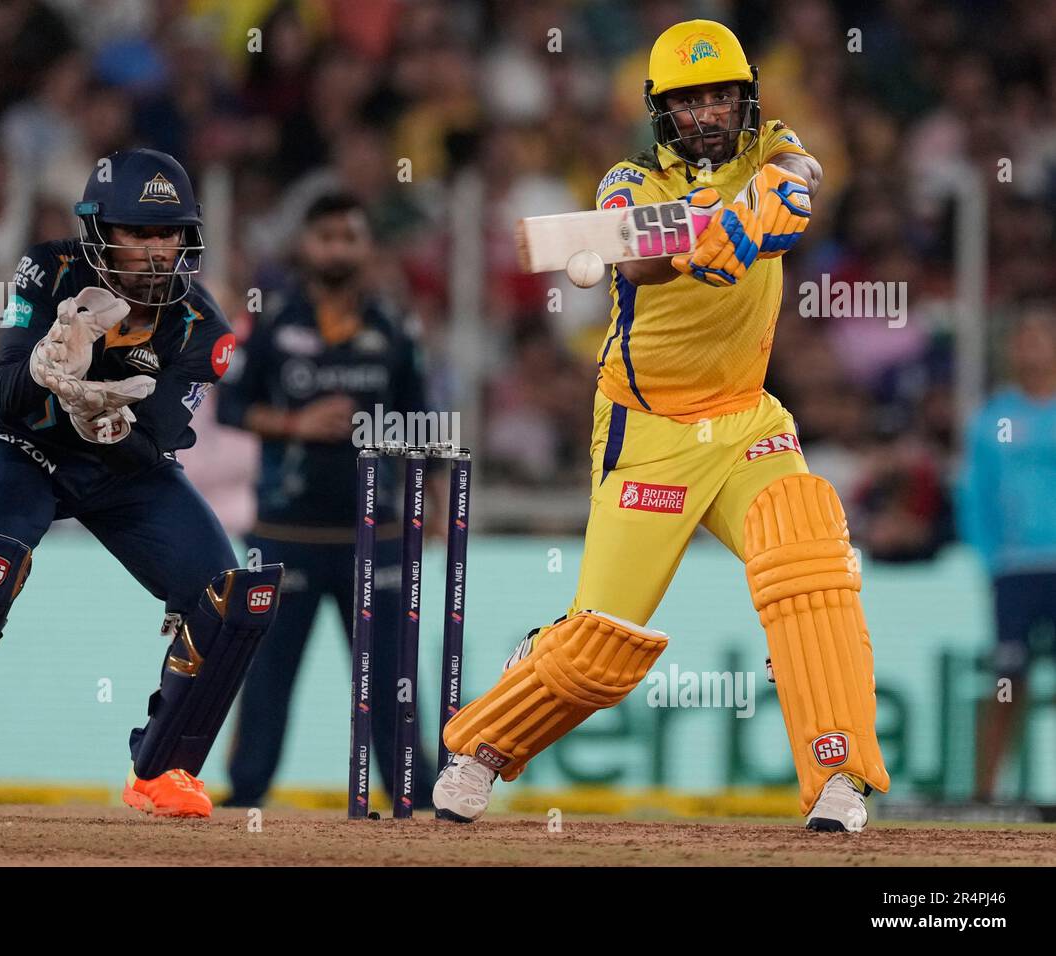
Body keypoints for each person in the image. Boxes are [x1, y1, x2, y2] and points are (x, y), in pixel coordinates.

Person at [432, 19, 889, 832]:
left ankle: (837, 776)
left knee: (811, 556)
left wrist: (778, 192)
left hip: (748, 418)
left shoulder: (767, 147)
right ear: (661, 111)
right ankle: (480, 749)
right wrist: (698, 238)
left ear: (744, 100)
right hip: (648, 430)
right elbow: (630, 256)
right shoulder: (627, 180)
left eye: (722, 97)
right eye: (690, 102)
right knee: (602, 644)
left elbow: (800, 166)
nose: (709, 114)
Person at [0, 148, 282, 819]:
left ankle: (163, 770)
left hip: (119, 468)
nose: (155, 252)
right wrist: (42, 365)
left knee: (229, 598)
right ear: (97, 232)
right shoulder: (49, 269)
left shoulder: (203, 328)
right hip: (22, 448)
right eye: (137, 233)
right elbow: (4, 396)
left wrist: (108, 423)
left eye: (167, 233)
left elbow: (154, 444)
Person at [215, 192, 430, 807]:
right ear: (306, 247)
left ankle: (412, 800)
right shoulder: (276, 322)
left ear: (366, 249)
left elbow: (423, 421)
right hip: (286, 535)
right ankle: (244, 797)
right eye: (326, 236)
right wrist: (297, 425)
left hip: (377, 535)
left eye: (349, 237)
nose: (337, 247)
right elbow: (230, 408)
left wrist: (425, 501)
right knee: (267, 676)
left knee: (392, 679)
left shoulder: (393, 327)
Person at [958, 307, 1056, 802]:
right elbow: (974, 492)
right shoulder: (996, 418)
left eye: (1040, 338)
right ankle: (985, 792)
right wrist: (990, 558)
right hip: (1016, 570)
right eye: (1023, 339)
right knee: (1006, 680)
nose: (1031, 349)